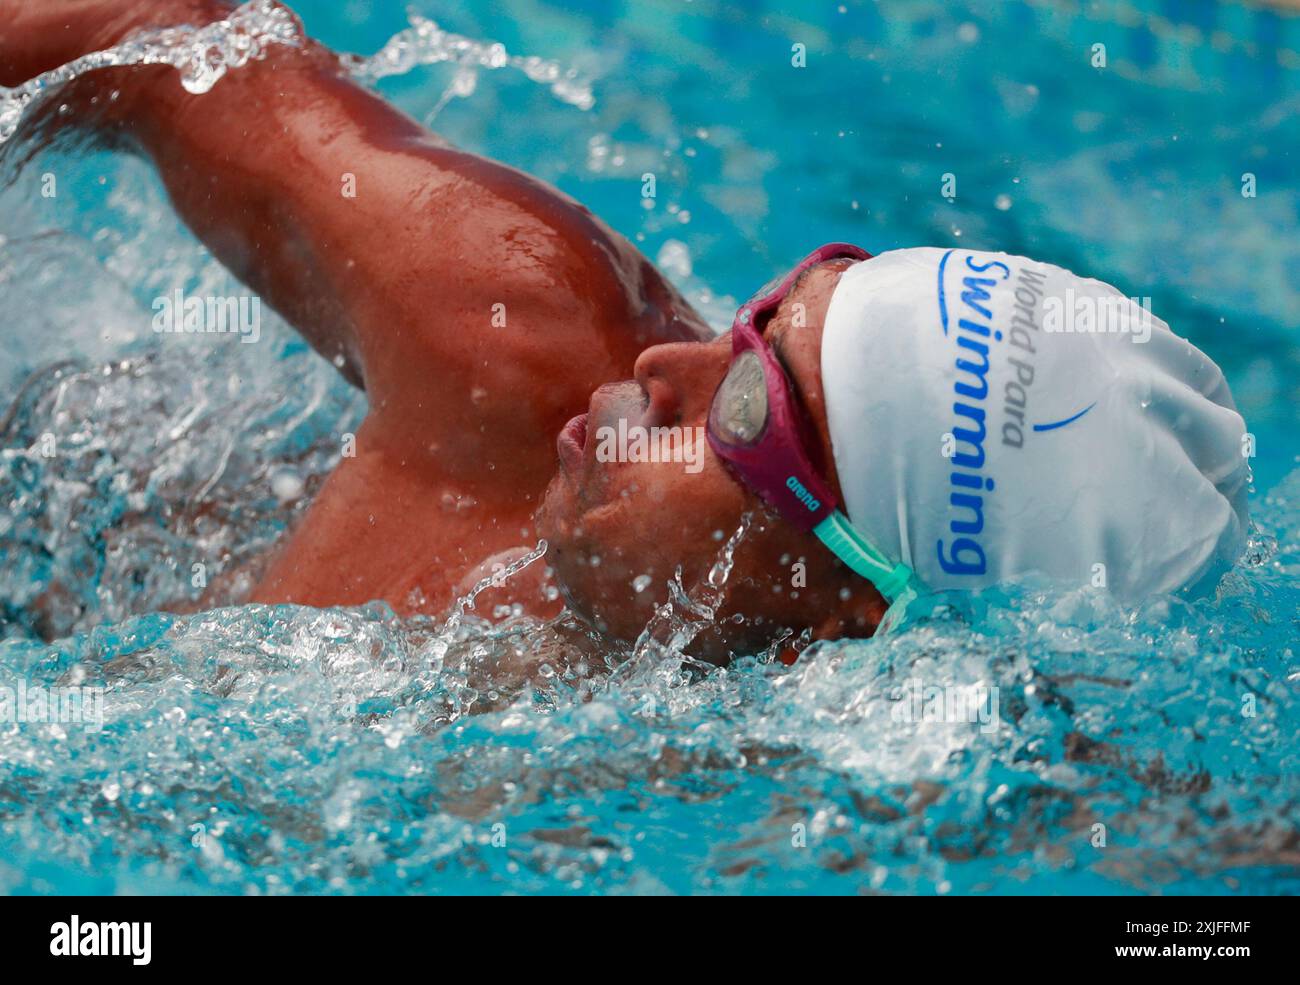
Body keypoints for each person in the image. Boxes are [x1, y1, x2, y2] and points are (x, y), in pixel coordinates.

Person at [0, 0, 1250, 663]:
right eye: (758, 321)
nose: (668, 369)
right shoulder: (503, 328)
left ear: (854, 605)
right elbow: (152, 36)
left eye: (751, 412)